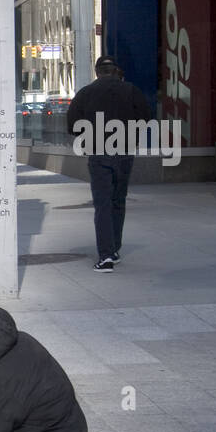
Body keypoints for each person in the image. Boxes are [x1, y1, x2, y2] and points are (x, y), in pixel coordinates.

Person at [66, 55, 151, 272]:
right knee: (118, 201)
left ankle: (105, 256)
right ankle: (114, 249)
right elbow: (146, 118)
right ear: (115, 71)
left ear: (97, 72)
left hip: (99, 153)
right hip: (124, 151)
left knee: (102, 204)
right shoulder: (131, 90)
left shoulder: (86, 93)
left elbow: (73, 125)